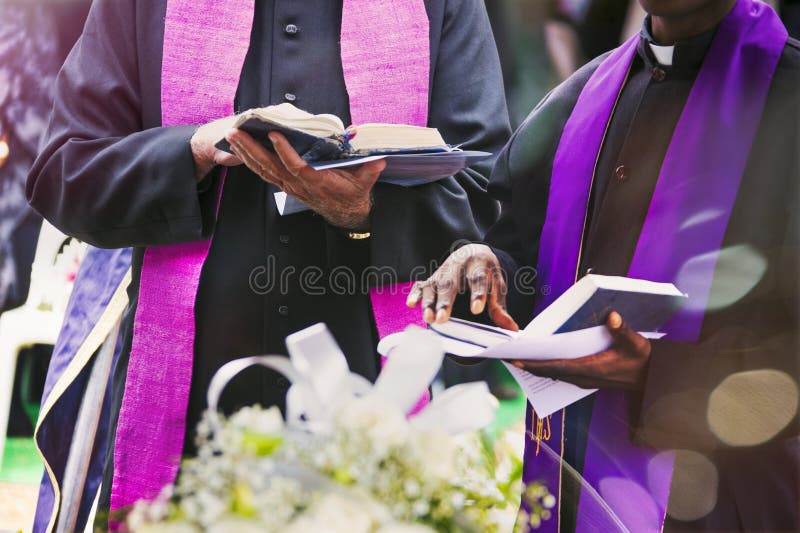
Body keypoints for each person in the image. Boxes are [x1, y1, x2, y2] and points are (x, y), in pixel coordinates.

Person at [26, 0, 509, 529]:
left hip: (370, 399)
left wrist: (365, 210)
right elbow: (66, 172)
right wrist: (191, 151)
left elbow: (487, 184)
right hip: (185, 408)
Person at [410, 0, 799, 530]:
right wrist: (486, 269)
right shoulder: (585, 94)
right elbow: (529, 258)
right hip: (572, 484)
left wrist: (658, 375)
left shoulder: (787, 98)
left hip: (729, 496)